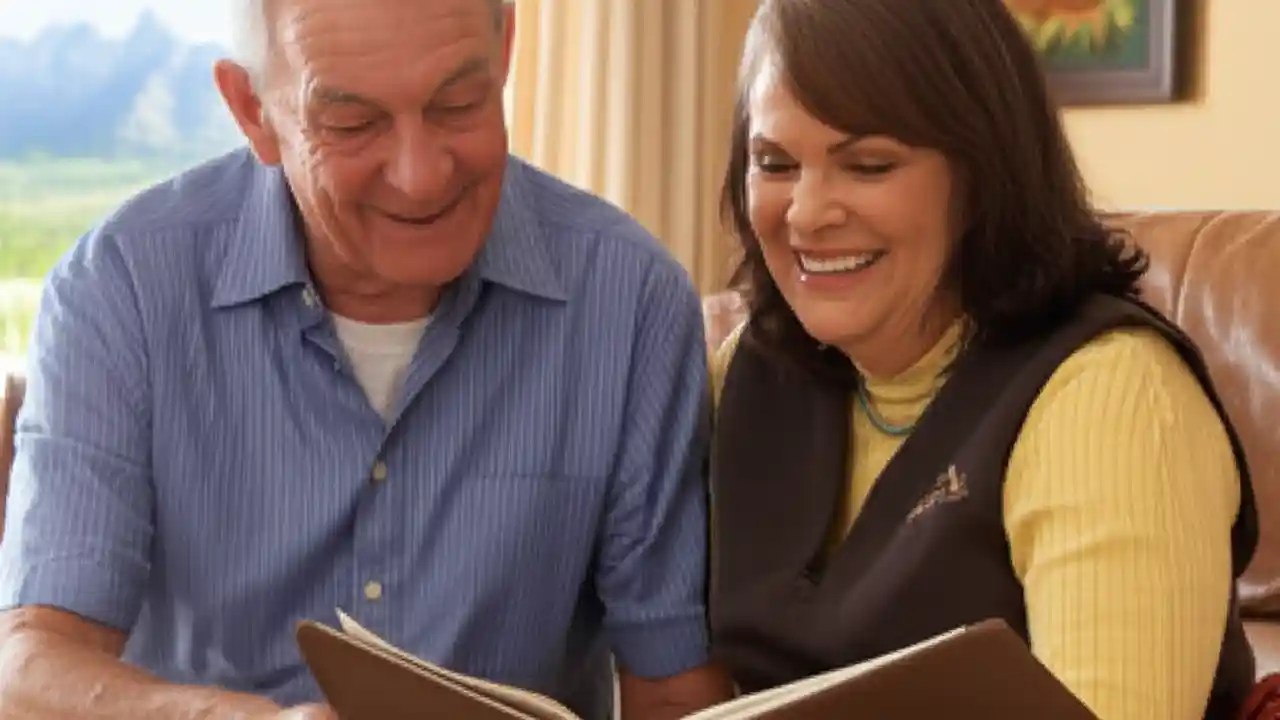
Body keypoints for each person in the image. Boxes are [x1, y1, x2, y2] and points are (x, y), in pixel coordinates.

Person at [0, 0, 733, 718]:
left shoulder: (629, 300)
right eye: (352, 124)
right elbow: (29, 672)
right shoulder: (120, 289)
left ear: (506, 47)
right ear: (253, 110)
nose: (420, 176)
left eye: (458, 104)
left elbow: (671, 688)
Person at [707, 1, 1258, 719]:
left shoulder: (1113, 399)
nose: (806, 214)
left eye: (868, 165)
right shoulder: (741, 373)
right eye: (774, 163)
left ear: (981, 176)